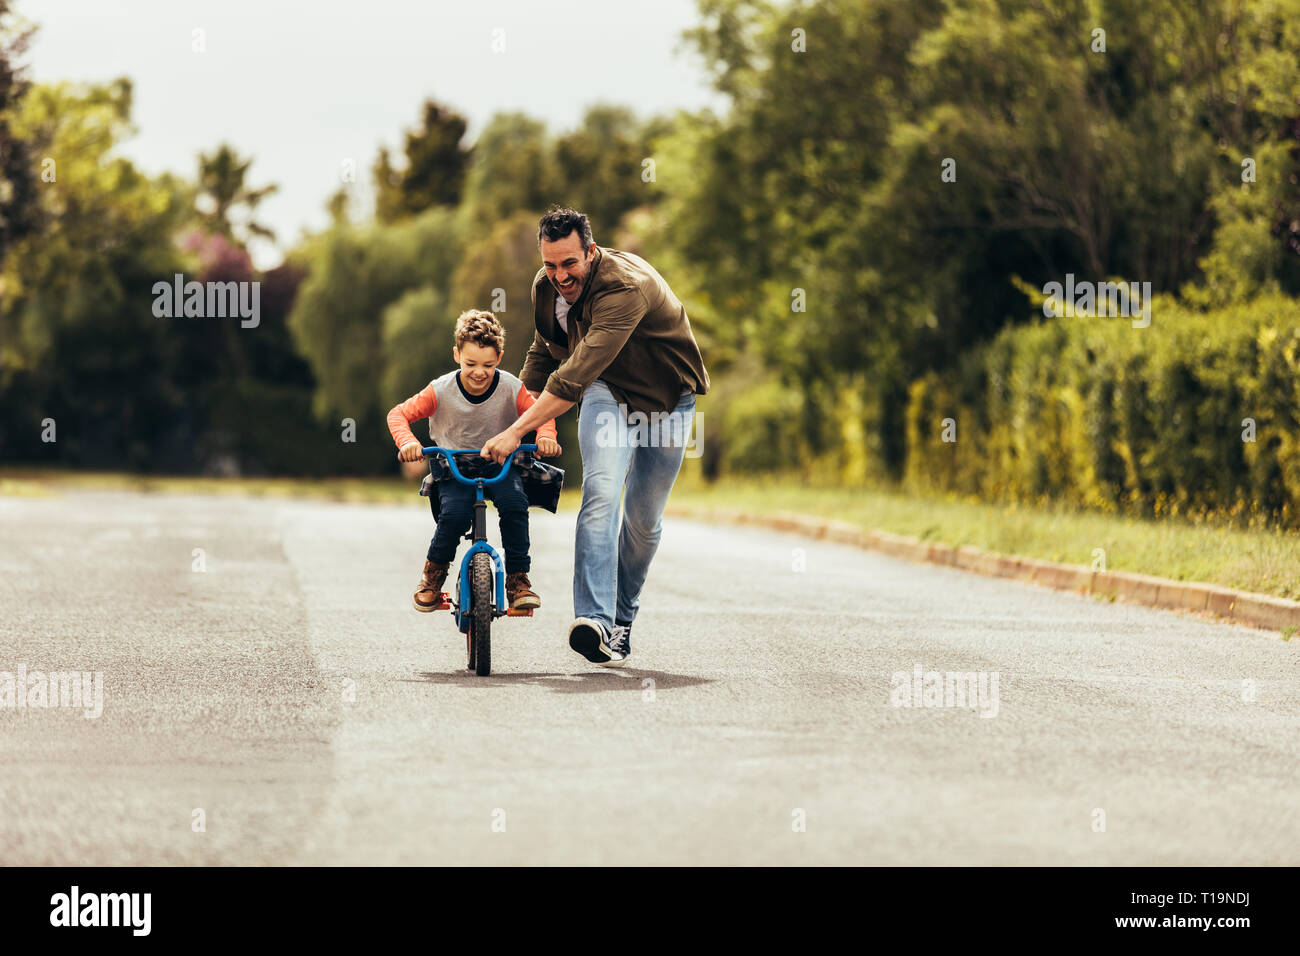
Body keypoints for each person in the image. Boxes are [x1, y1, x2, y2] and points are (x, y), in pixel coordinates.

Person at [481, 207, 709, 667]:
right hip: (608, 393)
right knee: (601, 493)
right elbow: (544, 352)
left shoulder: (623, 288)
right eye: (550, 264)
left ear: (591, 250)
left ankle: (621, 623)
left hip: (668, 399)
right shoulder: (546, 287)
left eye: (569, 263)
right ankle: (595, 621)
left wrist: (516, 432)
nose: (560, 275)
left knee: (643, 521)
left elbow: (572, 378)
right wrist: (504, 413)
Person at [388, 309, 561, 612]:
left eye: (488, 364)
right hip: (454, 466)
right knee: (453, 516)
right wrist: (409, 443)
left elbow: (540, 413)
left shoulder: (510, 387)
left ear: (500, 357)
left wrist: (546, 437)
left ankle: (518, 580)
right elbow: (398, 414)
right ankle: (433, 577)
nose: (479, 372)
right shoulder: (440, 390)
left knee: (515, 505)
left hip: (501, 462)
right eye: (470, 363)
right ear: (456, 355)